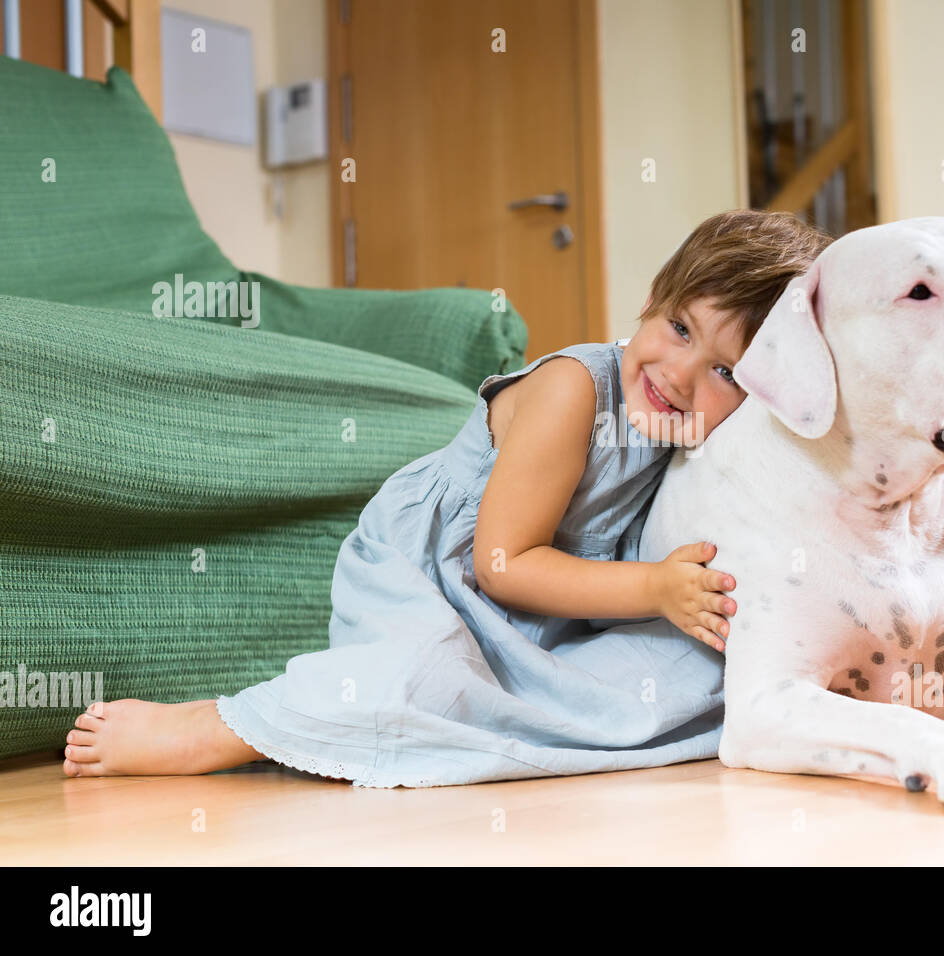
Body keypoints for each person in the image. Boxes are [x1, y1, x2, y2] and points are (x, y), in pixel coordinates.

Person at [60, 209, 833, 787]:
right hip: (435, 580)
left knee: (699, 675)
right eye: (679, 327)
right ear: (652, 298)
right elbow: (501, 564)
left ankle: (497, 722)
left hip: (539, 623)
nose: (681, 372)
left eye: (727, 372)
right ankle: (225, 728)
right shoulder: (573, 392)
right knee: (424, 678)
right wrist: (656, 587)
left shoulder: (694, 436)